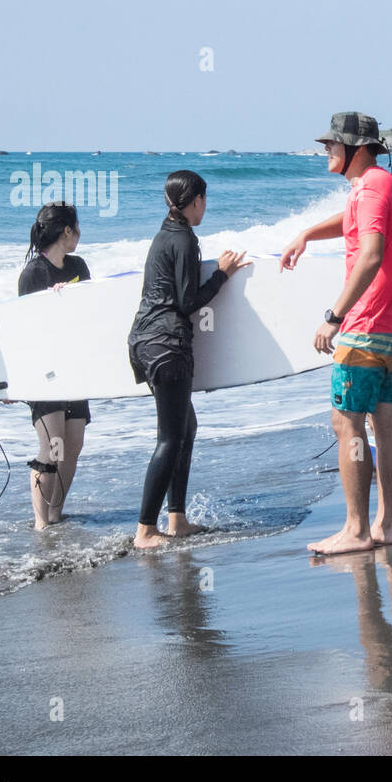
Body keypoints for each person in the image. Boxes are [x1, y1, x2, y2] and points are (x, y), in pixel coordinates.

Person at [280, 112, 392, 555]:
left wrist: (335, 315)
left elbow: (372, 252)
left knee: (346, 422)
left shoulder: (371, 187)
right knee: (384, 418)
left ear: (356, 150)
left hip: (368, 324)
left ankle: (357, 530)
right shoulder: (383, 184)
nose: (327, 150)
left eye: (333, 144)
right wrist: (307, 233)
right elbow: (354, 220)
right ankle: (387, 527)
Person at [127, 170, 248, 549]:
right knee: (170, 438)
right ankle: (146, 530)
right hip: (167, 346)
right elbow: (187, 302)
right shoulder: (183, 240)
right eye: (204, 200)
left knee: (185, 428)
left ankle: (176, 517)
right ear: (195, 201)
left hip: (146, 342)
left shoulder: (165, 234)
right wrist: (223, 276)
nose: (205, 206)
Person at [18, 201, 91, 529]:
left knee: (73, 445)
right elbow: (24, 328)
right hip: (44, 372)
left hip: (74, 368)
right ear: (67, 231)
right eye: (77, 227)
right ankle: (40, 522)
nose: (80, 233)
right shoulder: (34, 273)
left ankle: (56, 513)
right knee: (52, 447)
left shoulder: (79, 265)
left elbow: (92, 313)